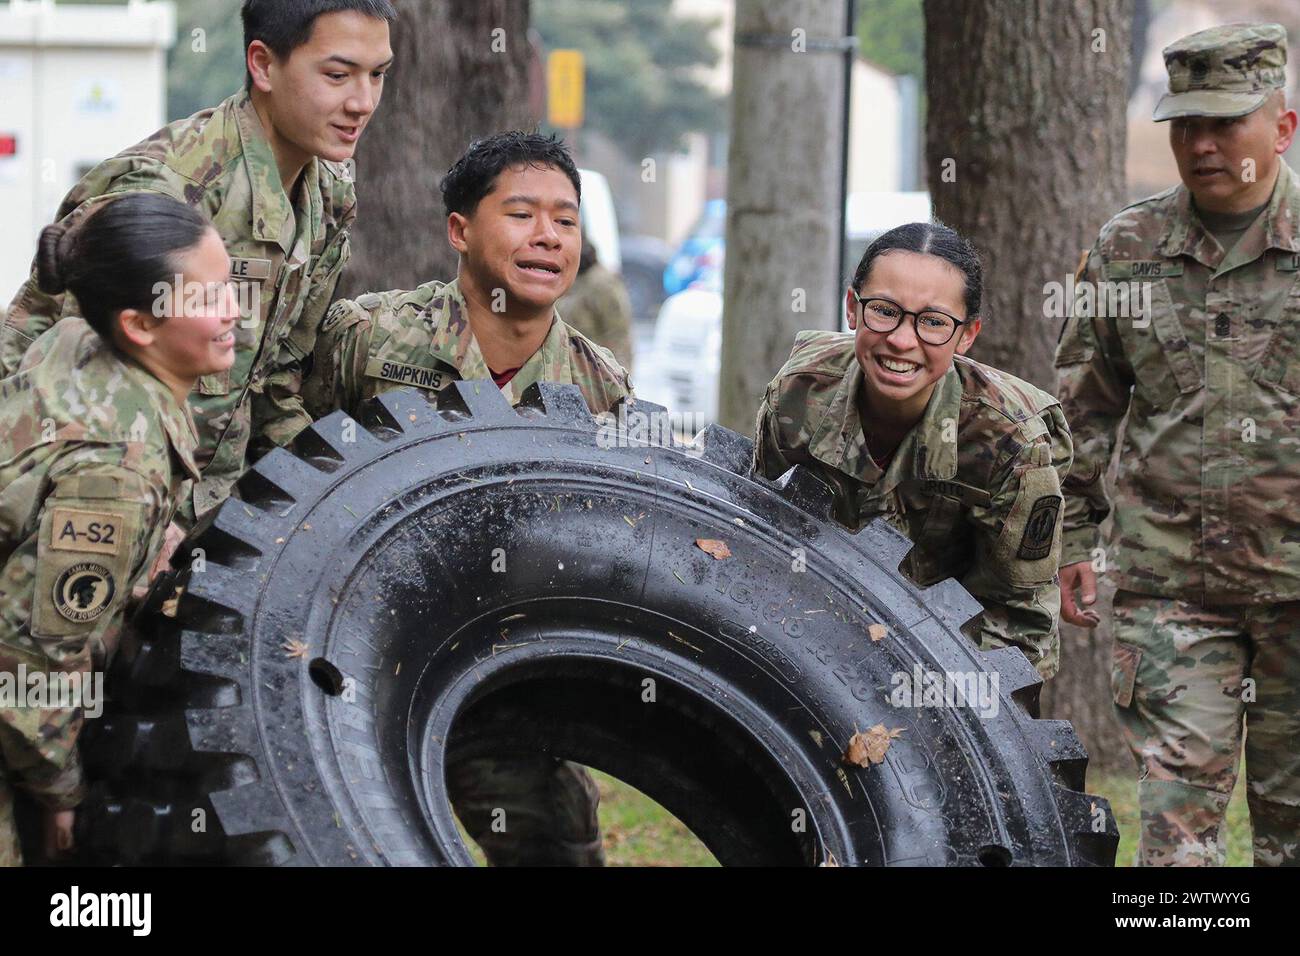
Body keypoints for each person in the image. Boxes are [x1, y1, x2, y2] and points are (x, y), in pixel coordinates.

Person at [306, 131, 630, 867]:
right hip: (352, 649)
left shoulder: (598, 385)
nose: (548, 237)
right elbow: (289, 467)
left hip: (493, 658)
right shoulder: (369, 339)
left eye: (566, 219)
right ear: (460, 229)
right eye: (521, 214)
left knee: (554, 834)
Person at [1, 0, 396, 524]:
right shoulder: (168, 193)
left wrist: (332, 489)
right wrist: (142, 523)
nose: (363, 102)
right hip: (102, 514)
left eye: (378, 75)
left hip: (210, 513)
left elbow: (274, 378)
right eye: (338, 75)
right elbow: (64, 380)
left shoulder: (328, 192)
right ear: (262, 65)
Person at [1055, 22, 1300, 867]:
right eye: (1185, 124)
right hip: (1172, 591)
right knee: (1176, 840)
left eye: (1224, 122)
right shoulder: (1128, 250)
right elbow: (1082, 407)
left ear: (1282, 125)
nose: (1201, 144)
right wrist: (1074, 541)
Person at [0, 194, 240, 866]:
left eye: (229, 288)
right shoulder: (117, 475)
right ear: (136, 324)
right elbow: (33, 664)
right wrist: (59, 794)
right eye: (207, 298)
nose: (233, 313)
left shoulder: (79, 340)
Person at [755, 221, 1072, 679]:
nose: (902, 341)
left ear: (967, 335)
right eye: (884, 310)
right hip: (813, 637)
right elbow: (762, 539)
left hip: (949, 665)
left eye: (933, 322)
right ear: (851, 308)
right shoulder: (798, 394)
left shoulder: (1010, 443)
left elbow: (1017, 623)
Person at [557, 237, 635, 371]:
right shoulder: (566, 278)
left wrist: (618, 376)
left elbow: (618, 333)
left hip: (596, 370)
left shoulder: (602, 283)